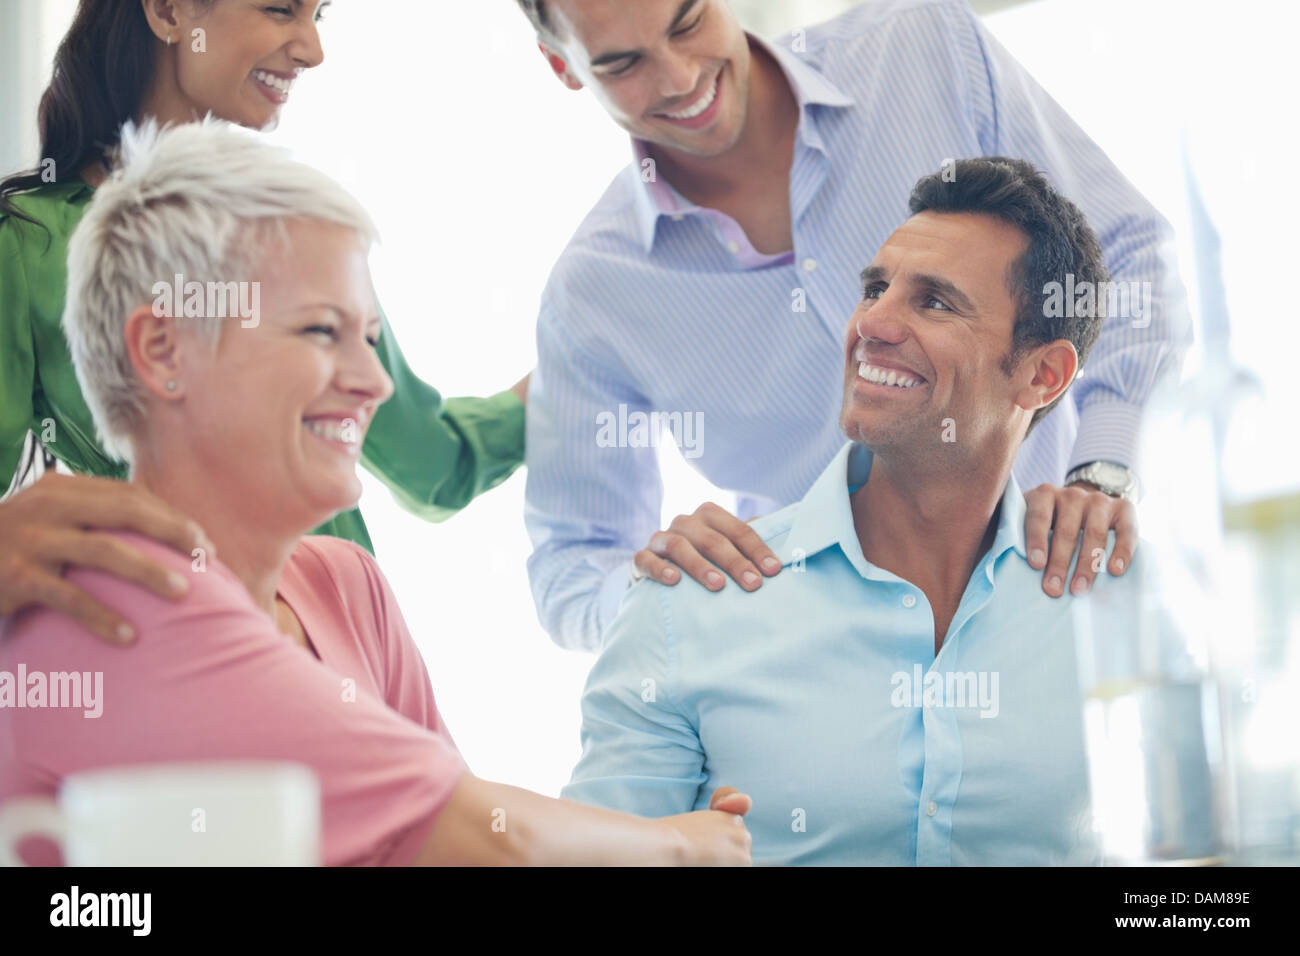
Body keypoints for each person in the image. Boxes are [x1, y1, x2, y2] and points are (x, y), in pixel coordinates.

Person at [0, 118, 753, 867]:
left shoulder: (344, 583)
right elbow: (492, 847)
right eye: (322, 332)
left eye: (367, 337)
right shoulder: (122, 597)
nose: (374, 382)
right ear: (163, 350)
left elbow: (464, 822)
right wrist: (679, 846)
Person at [561, 157, 1184, 865]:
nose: (872, 324)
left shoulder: (1128, 610)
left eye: (936, 302)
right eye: (875, 288)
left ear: (1043, 374)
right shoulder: (691, 601)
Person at [516, 0, 1191, 651]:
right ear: (562, 65)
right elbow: (572, 565)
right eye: (622, 64)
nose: (681, 78)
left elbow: (1129, 259)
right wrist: (659, 586)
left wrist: (1101, 474)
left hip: (1070, 624)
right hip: (826, 699)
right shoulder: (593, 295)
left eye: (688, 21)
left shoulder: (924, 48)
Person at [0, 0, 526, 645]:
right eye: (281, 10)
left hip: (349, 644)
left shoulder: (297, 229)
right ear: (168, 12)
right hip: (170, 648)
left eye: (318, 16)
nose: (311, 48)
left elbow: (433, 466)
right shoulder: (26, 247)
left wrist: (573, 375)